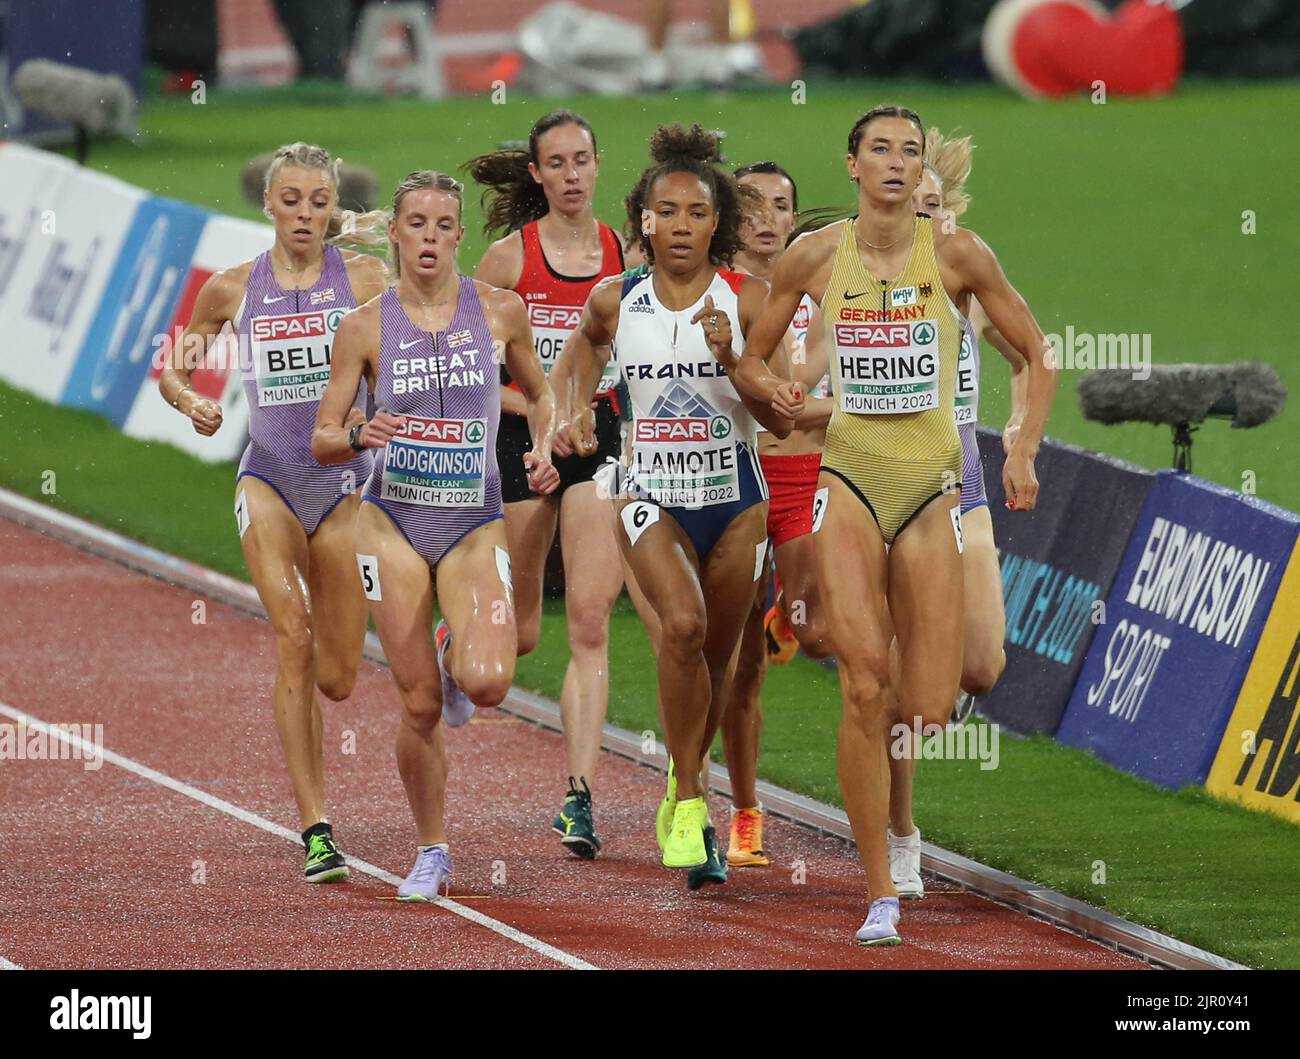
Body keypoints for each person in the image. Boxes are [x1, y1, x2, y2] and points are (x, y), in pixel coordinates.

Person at [736, 104, 1054, 944]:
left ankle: (899, 820)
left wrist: (1020, 451)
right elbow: (755, 363)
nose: (897, 164)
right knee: (864, 686)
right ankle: (879, 886)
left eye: (909, 152)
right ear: (852, 163)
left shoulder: (955, 257)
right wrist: (779, 400)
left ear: (922, 171)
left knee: (929, 703)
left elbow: (1036, 353)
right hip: (847, 482)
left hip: (938, 488)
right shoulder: (814, 255)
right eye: (881, 149)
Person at [311, 170, 558, 901]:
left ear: (458, 235)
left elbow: (542, 395)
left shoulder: (502, 312)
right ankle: (432, 847)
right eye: (414, 223)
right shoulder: (363, 326)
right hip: (388, 522)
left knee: (489, 680)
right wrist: (360, 430)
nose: (427, 236)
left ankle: (458, 650)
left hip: (474, 521)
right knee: (419, 705)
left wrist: (543, 446)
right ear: (394, 232)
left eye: (441, 224)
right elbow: (324, 435)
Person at [561, 124, 794, 889]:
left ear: (716, 223)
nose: (682, 226)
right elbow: (575, 358)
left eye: (698, 213)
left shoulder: (752, 298)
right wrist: (562, 418)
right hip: (648, 491)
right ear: (645, 222)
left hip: (735, 498)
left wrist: (734, 359)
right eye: (668, 212)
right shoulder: (613, 300)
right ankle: (691, 801)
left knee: (720, 658)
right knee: (683, 628)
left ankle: (681, 777)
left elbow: (784, 417)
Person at [159, 142, 388, 884]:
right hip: (267, 479)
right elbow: (175, 364)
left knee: (340, 676)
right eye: (291, 201)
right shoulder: (231, 288)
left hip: (344, 485)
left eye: (318, 203)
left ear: (333, 207)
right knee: (292, 635)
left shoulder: (362, 277)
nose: (304, 214)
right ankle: (316, 827)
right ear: (268, 203)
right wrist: (191, 398)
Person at [466, 110, 639, 859]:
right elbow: (468, 371)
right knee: (522, 636)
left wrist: (586, 420)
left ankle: (578, 796)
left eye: (582, 161)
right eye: (556, 164)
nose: (571, 175)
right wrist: (542, 418)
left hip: (596, 448)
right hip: (519, 442)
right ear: (535, 175)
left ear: (599, 166)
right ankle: (454, 635)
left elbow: (635, 361)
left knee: (592, 620)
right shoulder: (508, 262)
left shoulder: (626, 256)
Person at [886, 131, 1030, 898]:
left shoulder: (962, 273)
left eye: (935, 208)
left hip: (965, 488)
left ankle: (940, 680)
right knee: (908, 688)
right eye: (912, 208)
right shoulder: (854, 279)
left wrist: (1022, 437)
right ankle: (901, 833)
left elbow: (1033, 356)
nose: (927, 224)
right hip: (887, 495)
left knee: (981, 666)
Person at [721, 160, 835, 868]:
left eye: (782, 205)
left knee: (815, 632)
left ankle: (779, 619)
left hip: (802, 475)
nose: (767, 217)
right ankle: (741, 808)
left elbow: (805, 390)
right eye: (752, 204)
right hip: (736, 478)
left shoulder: (823, 296)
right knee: (736, 671)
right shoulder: (707, 294)